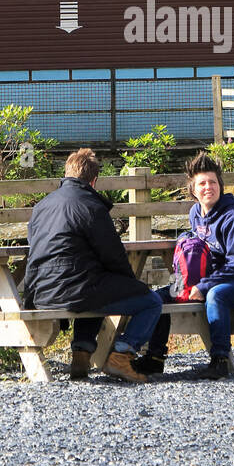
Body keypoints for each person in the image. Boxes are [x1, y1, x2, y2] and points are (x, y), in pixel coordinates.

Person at [23, 147, 162, 383]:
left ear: (66, 173)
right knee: (151, 301)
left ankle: (82, 351)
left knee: (96, 287)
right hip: (78, 290)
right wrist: (130, 283)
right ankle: (121, 355)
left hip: (40, 292)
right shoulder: (92, 206)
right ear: (94, 180)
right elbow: (113, 255)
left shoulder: (41, 207)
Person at [132, 151, 234, 380]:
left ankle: (220, 360)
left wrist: (203, 286)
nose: (208, 187)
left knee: (216, 295)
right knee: (160, 296)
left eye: (213, 182)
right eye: (202, 183)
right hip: (213, 276)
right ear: (193, 190)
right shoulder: (195, 212)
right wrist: (186, 284)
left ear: (220, 185)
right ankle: (154, 358)